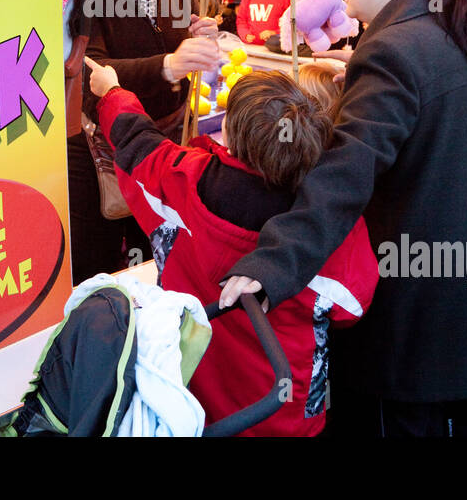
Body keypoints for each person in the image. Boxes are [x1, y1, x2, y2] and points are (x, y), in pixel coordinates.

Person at [221, 0, 467, 437]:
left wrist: (275, 261)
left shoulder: (392, 49)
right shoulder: (443, 27)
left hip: (427, 303)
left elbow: (346, 171)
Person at [88, 62, 377, 436]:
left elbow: (137, 141)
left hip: (189, 402)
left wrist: (113, 92)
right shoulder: (332, 223)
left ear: (231, 135)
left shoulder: (183, 178)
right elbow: (351, 307)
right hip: (282, 412)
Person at [68, 0, 219, 282]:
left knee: (156, 253)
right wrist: (170, 63)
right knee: (96, 263)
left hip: (162, 142)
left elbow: (172, 41)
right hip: (101, 146)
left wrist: (195, 34)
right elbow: (91, 70)